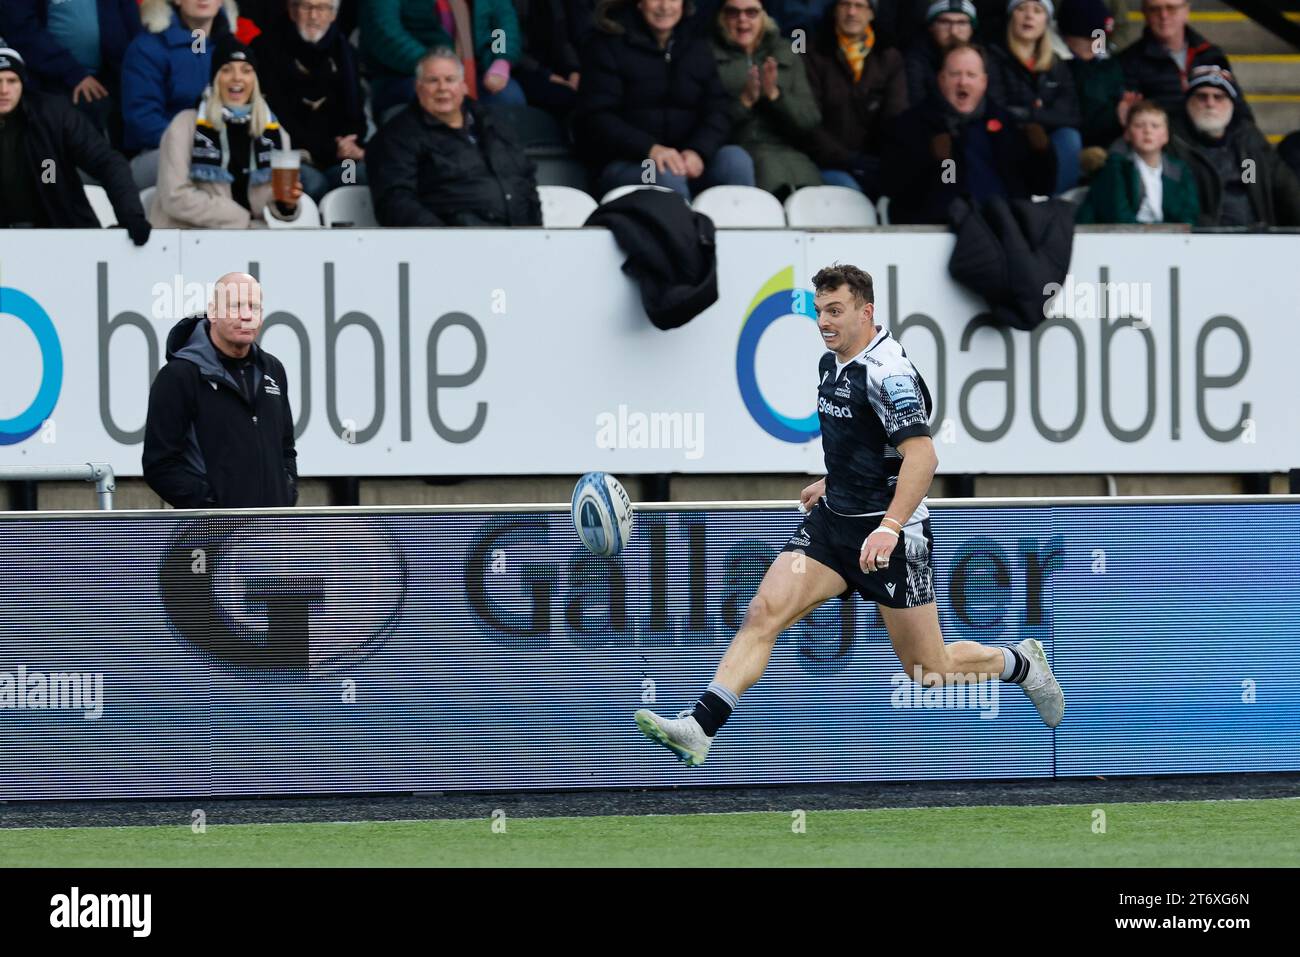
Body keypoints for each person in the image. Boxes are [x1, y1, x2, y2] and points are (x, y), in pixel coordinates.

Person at [635, 263, 1065, 768]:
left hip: (892, 539)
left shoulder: (889, 374)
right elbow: (866, 447)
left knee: (929, 669)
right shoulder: (830, 364)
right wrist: (833, 482)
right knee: (764, 612)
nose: (824, 322)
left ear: (867, 311)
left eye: (835, 311)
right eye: (819, 312)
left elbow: (922, 457)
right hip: (834, 525)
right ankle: (700, 729)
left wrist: (888, 526)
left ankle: (1019, 662)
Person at [143, 271, 299, 509]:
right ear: (213, 312)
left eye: (254, 308)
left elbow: (286, 448)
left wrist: (286, 491)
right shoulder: (178, 377)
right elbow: (160, 465)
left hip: (271, 533)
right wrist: (213, 505)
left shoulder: (273, 370)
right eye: (236, 306)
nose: (246, 316)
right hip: (210, 537)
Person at [576, 0, 753, 199]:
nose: (665, 6)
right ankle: (686, 231)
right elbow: (597, 118)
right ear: (640, 3)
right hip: (628, 164)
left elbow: (718, 109)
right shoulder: (607, 45)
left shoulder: (697, 45)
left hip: (684, 161)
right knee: (665, 176)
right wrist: (650, 148)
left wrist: (698, 151)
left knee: (735, 160)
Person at [881, 42, 1056, 224]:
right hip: (943, 232)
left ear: (983, 82)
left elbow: (1042, 187)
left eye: (971, 75)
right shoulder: (913, 124)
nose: (963, 81)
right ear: (941, 79)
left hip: (1006, 228)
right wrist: (939, 163)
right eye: (955, 74)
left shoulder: (1007, 125)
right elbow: (893, 186)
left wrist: (1042, 153)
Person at [368, 49, 542, 225]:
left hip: (520, 241)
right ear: (418, 87)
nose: (442, 88)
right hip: (448, 246)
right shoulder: (397, 136)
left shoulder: (494, 125)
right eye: (432, 80)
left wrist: (535, 234)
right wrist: (448, 240)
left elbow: (526, 180)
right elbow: (395, 202)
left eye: (450, 80)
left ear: (464, 86)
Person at [149, 37, 307, 227]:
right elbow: (175, 197)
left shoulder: (274, 130)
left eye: (246, 71)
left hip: (245, 240)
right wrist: (238, 218)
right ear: (215, 79)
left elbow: (271, 203)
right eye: (226, 70)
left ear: (254, 81)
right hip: (188, 238)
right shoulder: (184, 124)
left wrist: (286, 203)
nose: (237, 77)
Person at [0, 42, 150, 241]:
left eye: (12, 81)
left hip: (62, 236)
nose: (4, 89)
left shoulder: (53, 115)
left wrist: (131, 215)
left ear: (23, 84)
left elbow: (107, 162)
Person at [251, 0, 368, 201]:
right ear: (292, 11)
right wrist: (330, 148)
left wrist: (353, 146)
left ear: (333, 15)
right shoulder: (266, 50)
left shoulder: (346, 53)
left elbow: (356, 117)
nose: (313, 16)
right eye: (306, 7)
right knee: (314, 185)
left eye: (322, 8)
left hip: (341, 159)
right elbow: (276, 120)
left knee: (356, 177)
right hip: (292, 157)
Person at [711, 0, 823, 199]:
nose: (742, 19)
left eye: (751, 12)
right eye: (733, 12)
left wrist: (775, 96)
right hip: (739, 153)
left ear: (764, 17)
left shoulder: (788, 52)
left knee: (824, 205)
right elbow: (704, 127)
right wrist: (745, 101)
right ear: (721, 18)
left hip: (795, 158)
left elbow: (809, 121)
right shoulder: (707, 55)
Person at [121, 0, 238, 189]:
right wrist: (199, 146)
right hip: (157, 153)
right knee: (209, 166)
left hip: (223, 150)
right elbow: (142, 121)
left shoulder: (233, 49)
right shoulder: (147, 48)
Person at [1167, 65, 1300, 228]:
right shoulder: (1173, 141)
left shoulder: (1247, 139)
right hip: (1201, 239)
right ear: (1189, 101)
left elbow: (1283, 186)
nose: (1210, 104)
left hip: (1256, 237)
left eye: (1219, 97)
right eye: (1202, 96)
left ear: (1231, 103)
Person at [803, 0, 907, 196]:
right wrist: (847, 159)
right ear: (834, 10)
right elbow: (808, 123)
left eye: (859, 5)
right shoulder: (812, 54)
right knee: (851, 193)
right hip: (824, 162)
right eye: (844, 4)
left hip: (875, 162)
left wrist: (883, 160)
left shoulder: (889, 58)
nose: (851, 12)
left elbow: (896, 117)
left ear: (872, 14)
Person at [360, 0, 526, 122]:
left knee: (509, 96)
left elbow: (502, 24)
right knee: (434, 98)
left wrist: (500, 59)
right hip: (409, 75)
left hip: (474, 74)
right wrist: (436, 68)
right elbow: (384, 31)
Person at [0, 0, 142, 141]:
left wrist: (133, 71)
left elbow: (130, 21)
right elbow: (22, 30)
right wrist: (73, 73)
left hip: (116, 76)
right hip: (56, 82)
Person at [986, 0, 1082, 193]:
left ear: (1046, 21)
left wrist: (1030, 114)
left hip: (1047, 138)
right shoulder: (992, 58)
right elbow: (995, 108)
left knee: (1069, 138)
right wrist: (1039, 114)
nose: (1029, 16)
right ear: (1011, 16)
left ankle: (1061, 205)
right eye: (1022, 9)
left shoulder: (1057, 65)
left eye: (1037, 11)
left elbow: (1071, 116)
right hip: (1008, 135)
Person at [1117, 0, 1244, 120]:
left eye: (1171, 8)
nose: (1164, 15)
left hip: (1213, 138)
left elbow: (1240, 110)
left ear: (1186, 11)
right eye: (1155, 9)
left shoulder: (1211, 55)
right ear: (1144, 13)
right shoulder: (1129, 61)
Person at [1076, 98, 1198, 223]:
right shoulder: (1114, 166)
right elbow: (1117, 216)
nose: (1147, 131)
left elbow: (1189, 216)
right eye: (1139, 125)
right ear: (1127, 134)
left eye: (1155, 126)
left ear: (1166, 135)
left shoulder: (1180, 170)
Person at [1059, 0, 1130, 153]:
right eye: (1088, 40)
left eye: (1101, 38)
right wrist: (1116, 117)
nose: (1096, 45)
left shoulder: (1110, 65)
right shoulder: (1058, 68)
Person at [904, 0, 976, 108]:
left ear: (971, 29)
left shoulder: (983, 60)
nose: (953, 31)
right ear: (931, 27)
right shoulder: (914, 61)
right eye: (945, 22)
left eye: (961, 23)